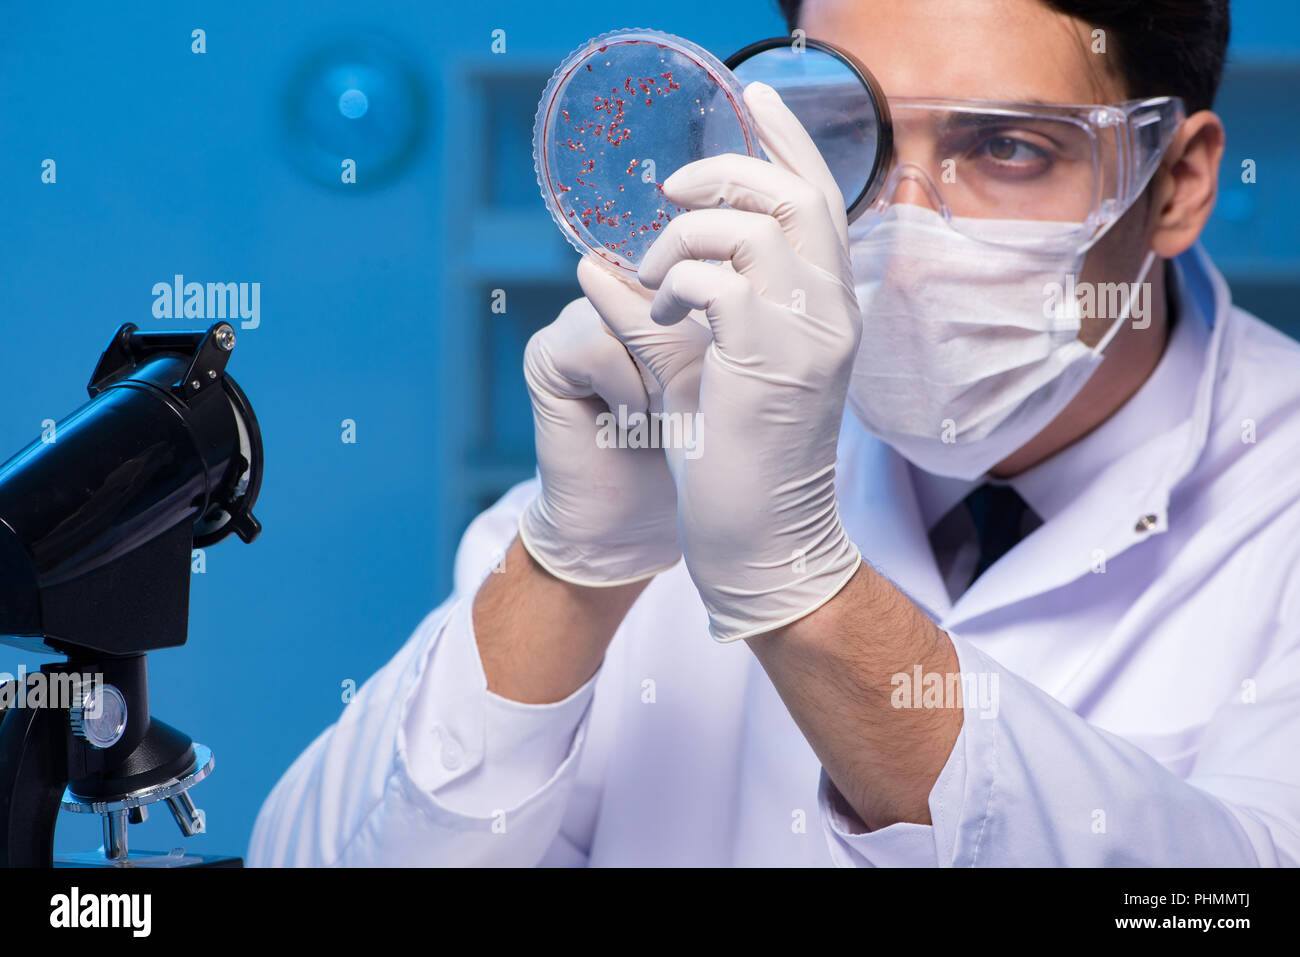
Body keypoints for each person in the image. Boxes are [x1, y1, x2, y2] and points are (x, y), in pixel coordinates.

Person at [248, 0, 1300, 867]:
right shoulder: (691, 406)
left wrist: (808, 593)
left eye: (1007, 148)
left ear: (1174, 182)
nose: (907, 235)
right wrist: (573, 573)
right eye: (848, 136)